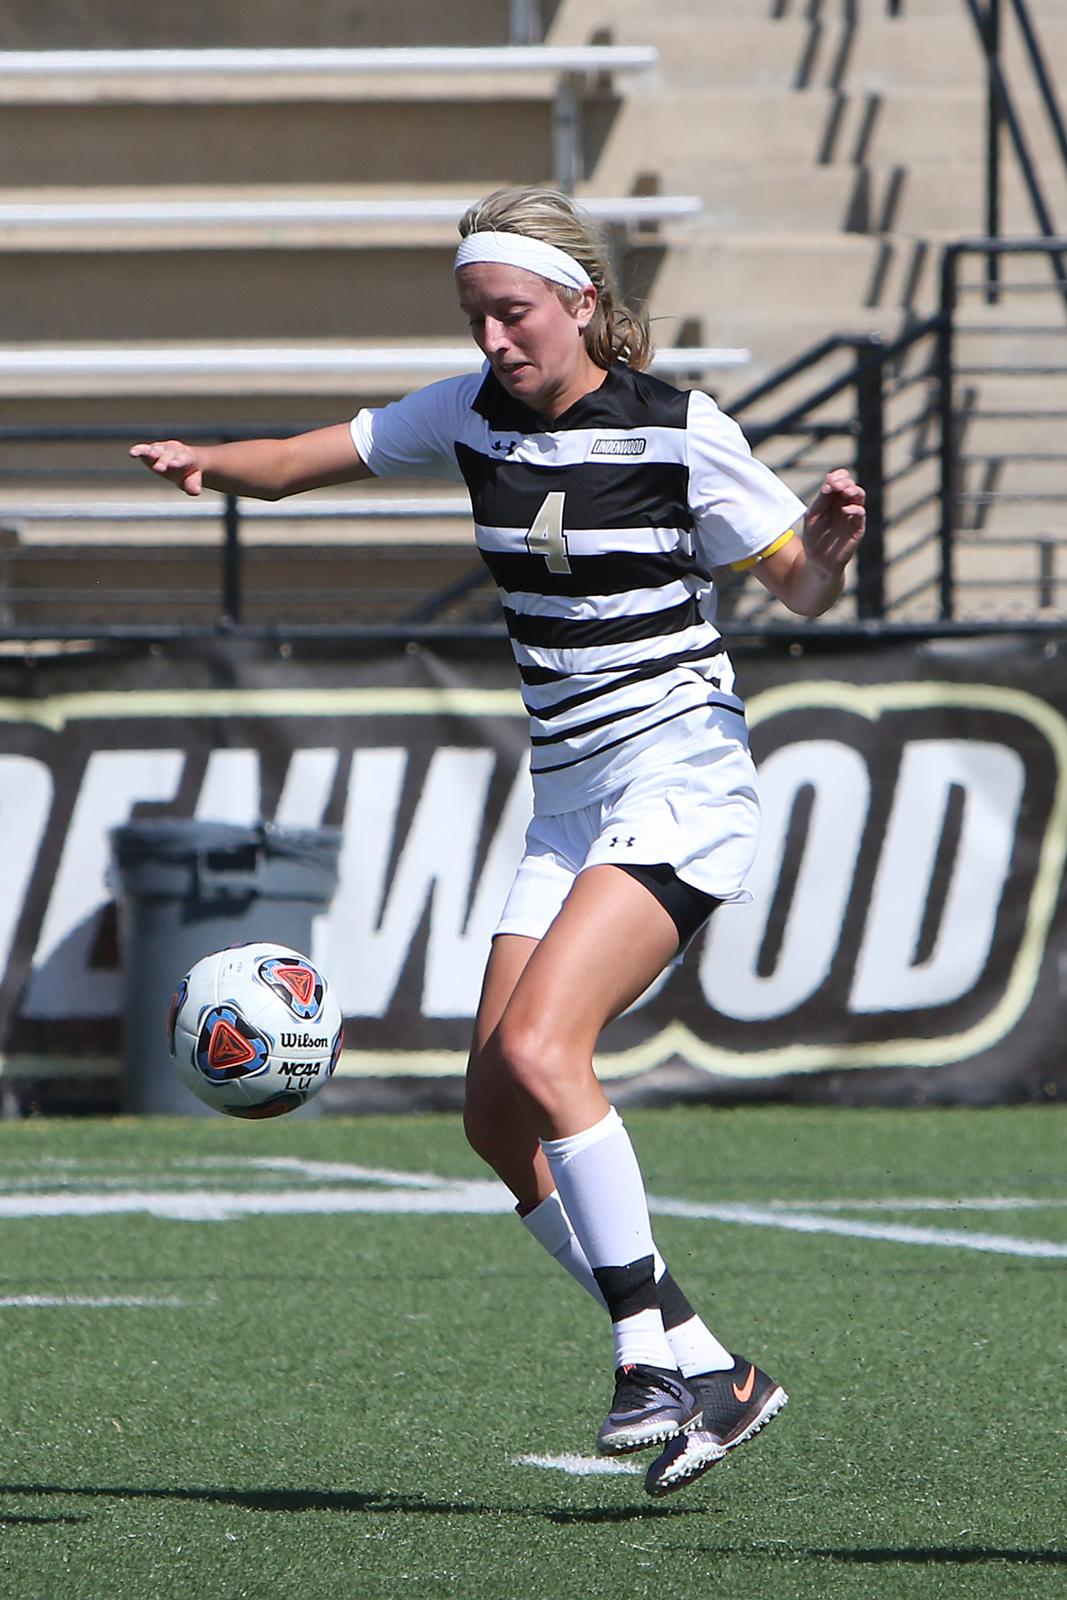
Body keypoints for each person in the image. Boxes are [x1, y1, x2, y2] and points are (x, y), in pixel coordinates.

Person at [132, 185, 865, 1497]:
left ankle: (646, 1350)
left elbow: (796, 584)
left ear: (580, 304)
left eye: (511, 314)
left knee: (542, 1048)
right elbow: (306, 461)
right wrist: (209, 465)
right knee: (491, 1112)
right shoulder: (467, 413)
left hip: (682, 779)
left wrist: (827, 549)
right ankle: (709, 1359)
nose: (491, 343)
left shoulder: (682, 427)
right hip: (571, 795)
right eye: (474, 318)